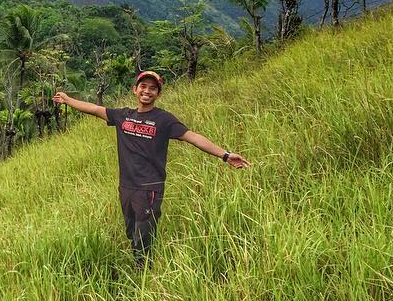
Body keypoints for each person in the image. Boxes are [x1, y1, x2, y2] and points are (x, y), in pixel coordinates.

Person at [53, 70, 250, 268]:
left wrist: (225, 155)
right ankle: (139, 263)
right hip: (127, 186)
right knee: (131, 231)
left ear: (158, 94)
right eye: (143, 87)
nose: (147, 91)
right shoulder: (123, 116)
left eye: (153, 88)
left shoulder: (164, 120)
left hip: (149, 188)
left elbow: (193, 137)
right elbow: (94, 109)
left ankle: (144, 271)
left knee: (144, 234)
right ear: (135, 90)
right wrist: (68, 100)